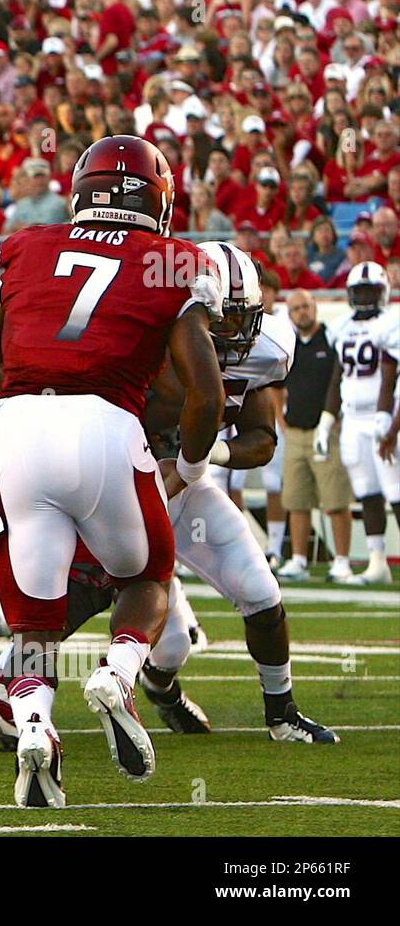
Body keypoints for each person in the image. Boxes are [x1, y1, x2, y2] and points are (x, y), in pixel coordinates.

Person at [0, 135, 226, 807]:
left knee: (35, 621)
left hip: (13, 429)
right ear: (156, 201)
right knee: (148, 576)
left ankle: (35, 728)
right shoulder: (175, 260)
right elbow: (206, 392)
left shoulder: (26, 246)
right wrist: (187, 464)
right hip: (105, 425)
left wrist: (26, 377)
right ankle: (119, 670)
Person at [141, 242, 337, 744]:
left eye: (240, 316)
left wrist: (208, 454)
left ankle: (282, 714)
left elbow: (261, 439)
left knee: (261, 592)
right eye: (217, 318)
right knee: (164, 642)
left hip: (188, 486)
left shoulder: (264, 351)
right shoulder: (143, 341)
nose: (230, 331)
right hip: (125, 485)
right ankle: (10, 684)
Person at [316, 262, 400, 584]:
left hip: (382, 416)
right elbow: (338, 376)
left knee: (395, 492)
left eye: (370, 291)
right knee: (367, 492)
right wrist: (326, 421)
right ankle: (378, 561)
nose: (364, 298)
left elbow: (390, 375)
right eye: (359, 292)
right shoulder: (341, 327)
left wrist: (388, 422)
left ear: (383, 293)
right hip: (352, 418)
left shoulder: (391, 323)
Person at [277, 290, 359, 583]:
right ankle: (299, 559)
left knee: (335, 500)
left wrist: (335, 421)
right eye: (296, 308)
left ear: (315, 308)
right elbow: (276, 386)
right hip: (296, 432)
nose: (302, 312)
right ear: (290, 314)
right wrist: (281, 421)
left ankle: (342, 561)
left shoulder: (332, 340)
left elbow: (343, 382)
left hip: (327, 431)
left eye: (306, 306)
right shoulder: (289, 344)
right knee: (297, 501)